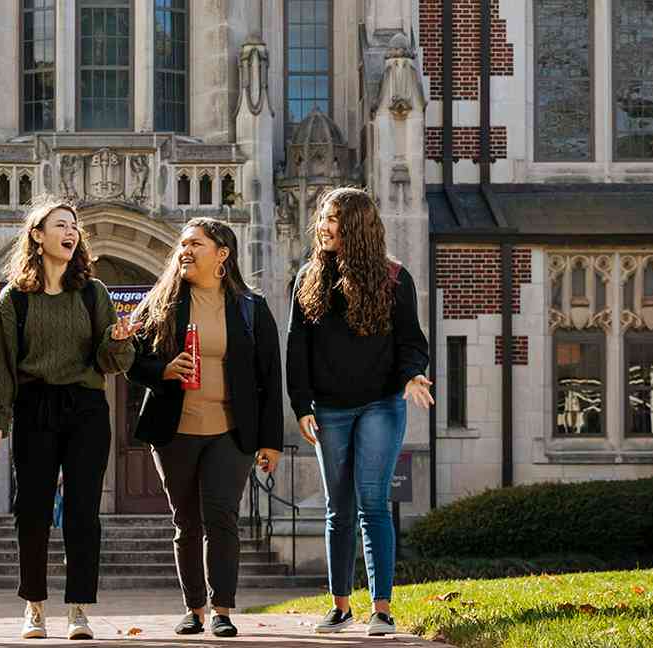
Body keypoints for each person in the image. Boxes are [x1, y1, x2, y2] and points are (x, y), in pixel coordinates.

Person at [0, 199, 137, 640]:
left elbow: (109, 361)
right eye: (60, 225)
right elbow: (4, 367)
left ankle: (79, 610)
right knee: (31, 511)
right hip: (35, 407)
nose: (71, 233)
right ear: (37, 235)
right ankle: (34, 607)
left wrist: (120, 340)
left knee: (83, 513)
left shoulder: (94, 293)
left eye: (74, 227)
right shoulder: (14, 299)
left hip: (86, 408)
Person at [123, 218, 283, 638]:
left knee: (222, 518)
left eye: (196, 244)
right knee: (186, 521)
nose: (185, 251)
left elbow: (270, 376)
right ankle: (193, 609)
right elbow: (129, 362)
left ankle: (222, 611)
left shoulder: (252, 308)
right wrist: (164, 370)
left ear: (222, 254)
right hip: (174, 431)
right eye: (182, 244)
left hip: (231, 432)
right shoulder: (161, 303)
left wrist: (272, 441)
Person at [286, 187, 432, 636]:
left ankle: (382, 609)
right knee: (339, 508)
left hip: (381, 404)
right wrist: (301, 405)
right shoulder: (308, 276)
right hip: (329, 410)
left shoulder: (394, 278)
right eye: (324, 218)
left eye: (334, 219)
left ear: (358, 226)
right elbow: (297, 348)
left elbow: (411, 340)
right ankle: (340, 605)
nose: (325, 226)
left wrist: (411, 374)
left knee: (372, 502)